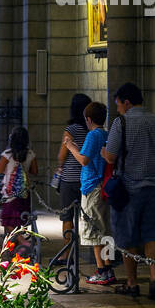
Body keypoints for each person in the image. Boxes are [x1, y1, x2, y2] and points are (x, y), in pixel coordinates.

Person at [102, 82, 155, 301]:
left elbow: (111, 156)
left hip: (129, 188)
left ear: (126, 102)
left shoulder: (121, 123)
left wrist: (103, 151)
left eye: (119, 105)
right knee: (152, 235)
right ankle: (154, 280)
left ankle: (132, 282)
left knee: (128, 236)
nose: (118, 109)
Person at [64, 101, 113, 286]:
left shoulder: (93, 135)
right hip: (102, 186)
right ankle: (108, 268)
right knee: (105, 229)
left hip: (92, 186)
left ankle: (101, 270)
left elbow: (84, 160)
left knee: (94, 230)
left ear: (89, 119)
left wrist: (71, 147)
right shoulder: (106, 134)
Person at [54, 93, 90, 244]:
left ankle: (66, 252)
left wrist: (59, 166)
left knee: (67, 217)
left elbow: (62, 155)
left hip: (69, 179)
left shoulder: (71, 130)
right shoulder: (90, 129)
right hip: (86, 178)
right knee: (88, 217)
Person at [0, 126, 38, 236]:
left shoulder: (7, 154)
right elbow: (34, 171)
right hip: (25, 191)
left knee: (7, 219)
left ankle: (22, 241)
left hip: (10, 193)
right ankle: (19, 244)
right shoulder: (30, 154)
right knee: (22, 218)